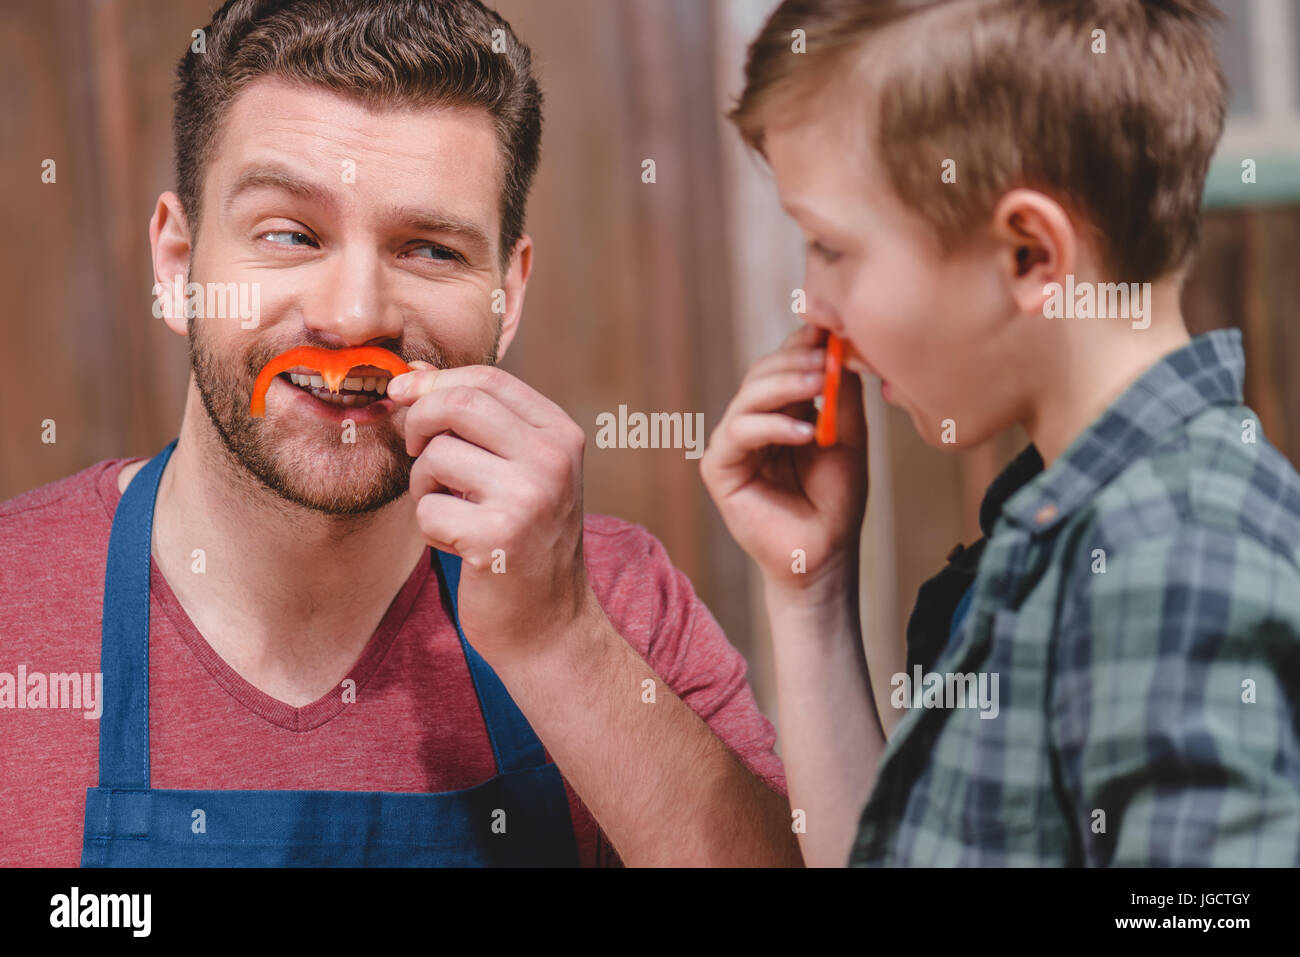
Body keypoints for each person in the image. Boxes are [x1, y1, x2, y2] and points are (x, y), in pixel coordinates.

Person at [0, 0, 801, 868]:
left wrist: (559, 642)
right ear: (176, 264)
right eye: (290, 233)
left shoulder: (621, 604)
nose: (353, 317)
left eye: (429, 250)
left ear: (509, 293)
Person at [702, 0, 1300, 866]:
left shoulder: (1176, 559)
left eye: (830, 247)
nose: (812, 306)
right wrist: (811, 594)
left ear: (1028, 255)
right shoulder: (1051, 543)